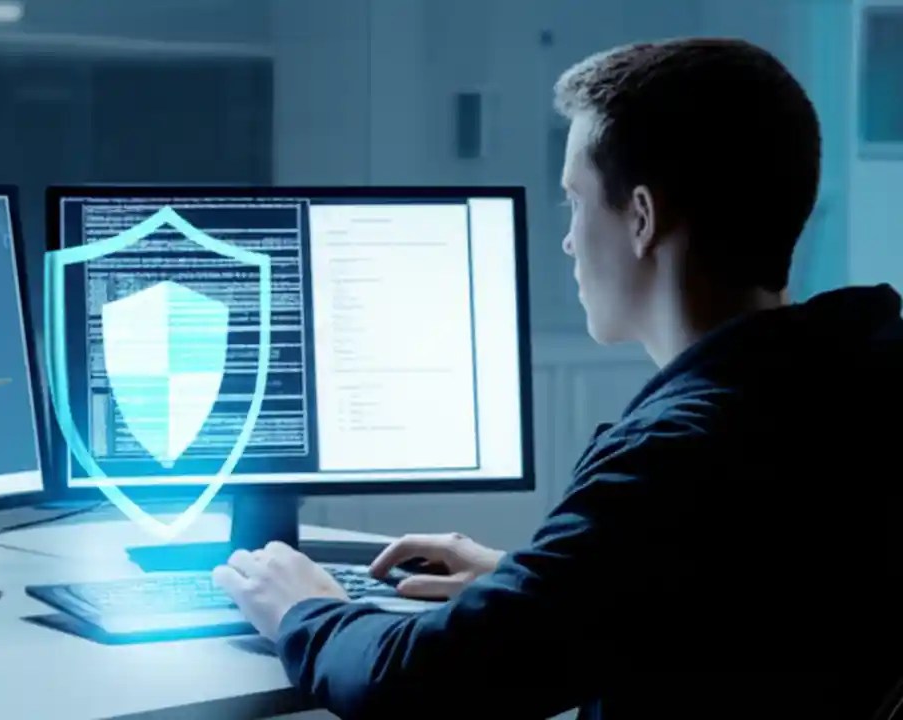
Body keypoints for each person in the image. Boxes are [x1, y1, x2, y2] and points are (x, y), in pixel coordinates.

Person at [211, 36, 903, 719]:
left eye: (575, 200)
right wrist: (530, 582)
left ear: (641, 218)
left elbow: (419, 685)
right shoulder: (852, 382)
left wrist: (305, 611)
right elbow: (748, 595)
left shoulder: (679, 458)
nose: (569, 239)